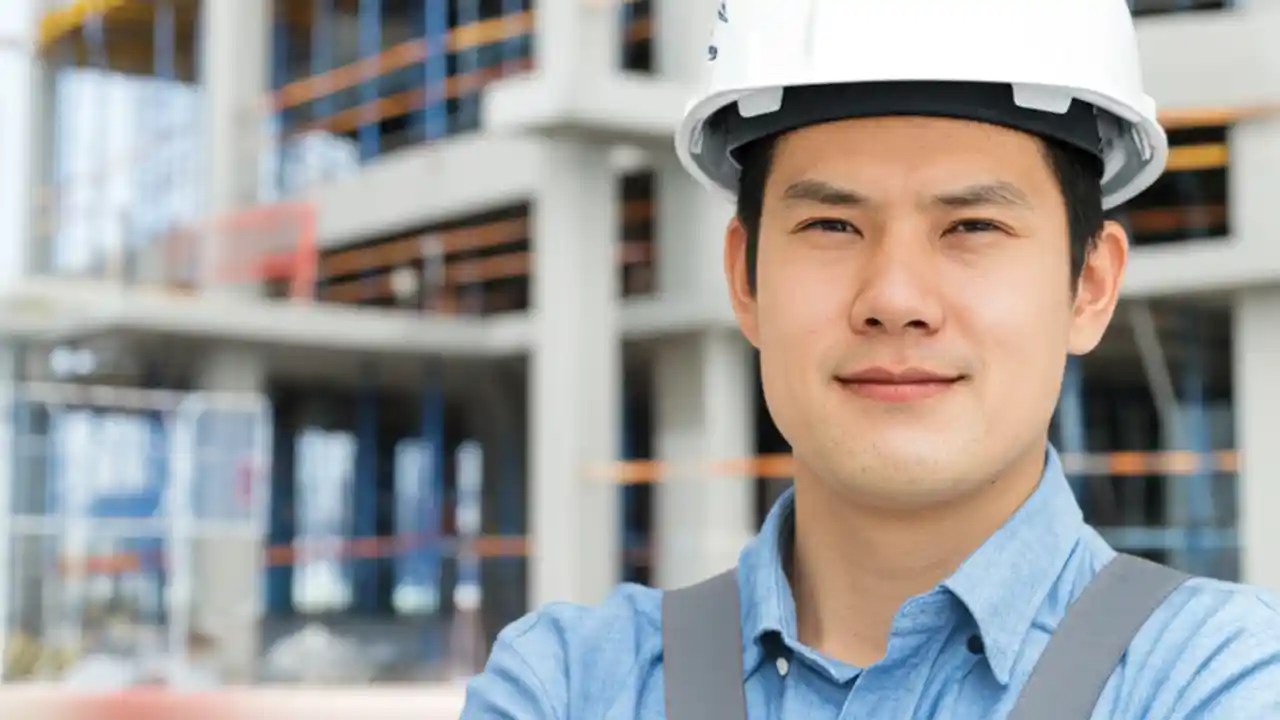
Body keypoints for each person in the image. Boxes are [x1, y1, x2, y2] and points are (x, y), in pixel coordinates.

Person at [462, 0, 1280, 717]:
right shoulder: (570, 685)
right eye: (832, 226)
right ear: (745, 278)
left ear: (1090, 287)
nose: (894, 297)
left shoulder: (1218, 679)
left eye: (972, 227)